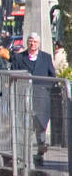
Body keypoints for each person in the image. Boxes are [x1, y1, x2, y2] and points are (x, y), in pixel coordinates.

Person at [8, 32, 57, 161]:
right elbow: (13, 74)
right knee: (25, 122)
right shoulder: (19, 58)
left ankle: (41, 147)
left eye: (35, 41)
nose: (32, 43)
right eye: (30, 41)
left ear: (39, 44)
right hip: (23, 94)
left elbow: (52, 75)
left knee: (40, 122)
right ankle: (24, 152)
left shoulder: (46, 57)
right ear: (27, 43)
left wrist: (46, 88)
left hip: (41, 95)